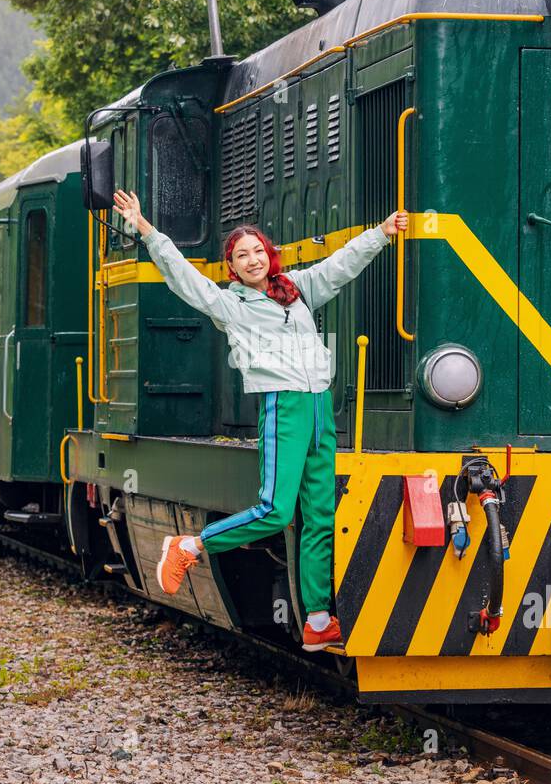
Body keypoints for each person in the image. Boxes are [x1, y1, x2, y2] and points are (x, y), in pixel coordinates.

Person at [112, 189, 408, 651]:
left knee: (319, 516)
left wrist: (381, 234)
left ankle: (316, 619)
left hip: (318, 407)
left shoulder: (297, 291)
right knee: (275, 509)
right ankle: (189, 546)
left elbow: (339, 265)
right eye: (241, 256)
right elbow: (185, 279)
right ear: (233, 267)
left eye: (257, 252)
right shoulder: (233, 306)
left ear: (270, 256)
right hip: (283, 407)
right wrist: (148, 232)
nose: (252, 261)